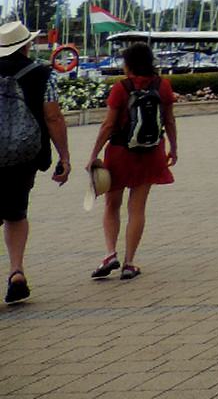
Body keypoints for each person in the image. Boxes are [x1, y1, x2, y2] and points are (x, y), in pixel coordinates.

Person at [87, 41, 178, 281]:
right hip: (151, 152)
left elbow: (108, 125)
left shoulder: (121, 88)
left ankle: (110, 254)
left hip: (120, 152)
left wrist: (94, 153)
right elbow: (169, 121)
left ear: (128, 65)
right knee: (137, 209)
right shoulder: (163, 86)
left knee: (111, 205)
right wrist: (174, 149)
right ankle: (129, 263)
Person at [0, 20, 71, 306]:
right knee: (15, 213)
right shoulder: (41, 73)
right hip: (23, 156)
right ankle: (16, 271)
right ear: (26, 45)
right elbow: (53, 117)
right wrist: (64, 156)